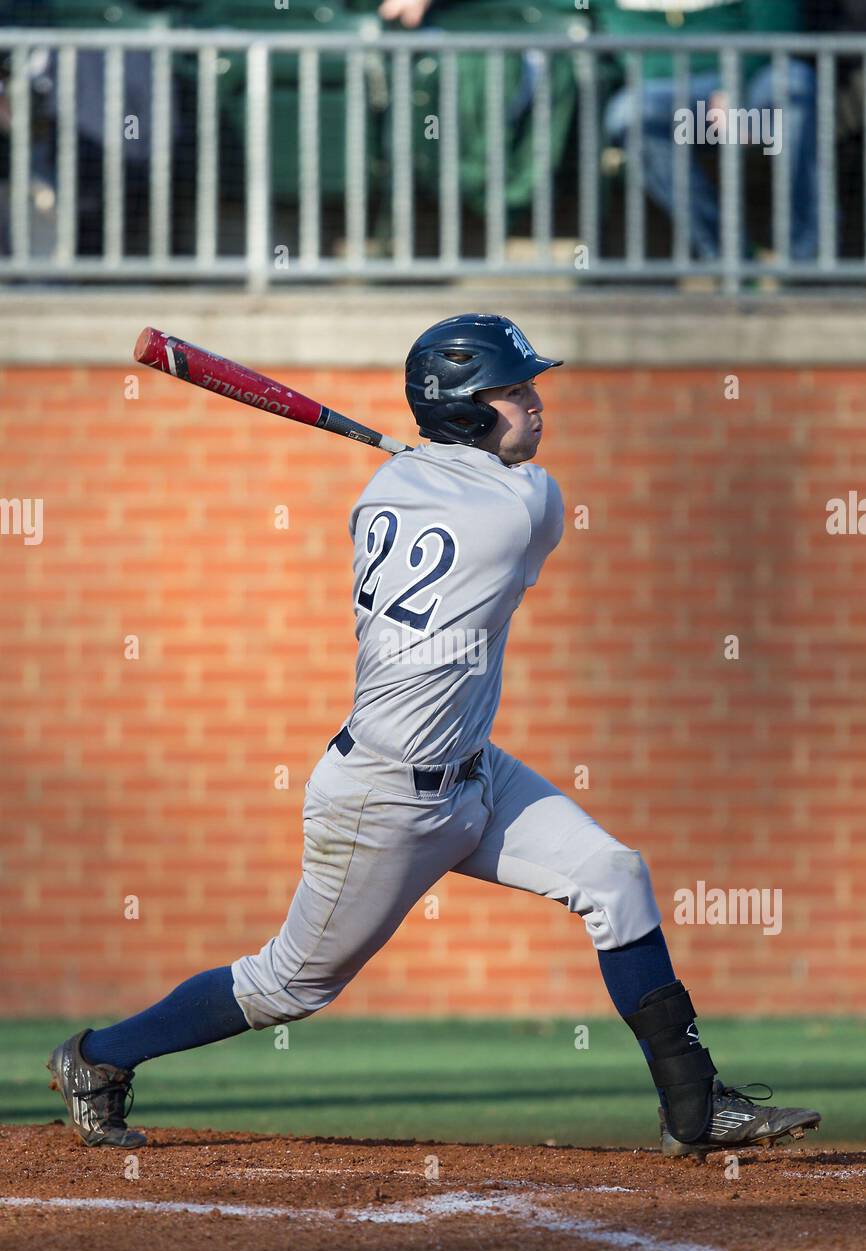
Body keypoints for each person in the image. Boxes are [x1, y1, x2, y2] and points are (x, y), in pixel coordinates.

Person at [48, 314, 821, 1159]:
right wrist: (454, 468)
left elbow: (436, 504)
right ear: (464, 410)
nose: (534, 405)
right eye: (513, 391)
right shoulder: (527, 506)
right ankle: (100, 1056)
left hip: (475, 770)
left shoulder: (381, 492)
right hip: (384, 799)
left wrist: (441, 463)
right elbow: (497, 502)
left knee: (614, 876)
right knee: (287, 986)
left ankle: (695, 1109)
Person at [593, 0, 818, 264]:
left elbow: (777, 28)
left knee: (793, 81)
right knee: (628, 114)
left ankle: (804, 253)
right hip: (666, 96)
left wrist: (734, 88)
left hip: (751, 80)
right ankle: (729, 258)